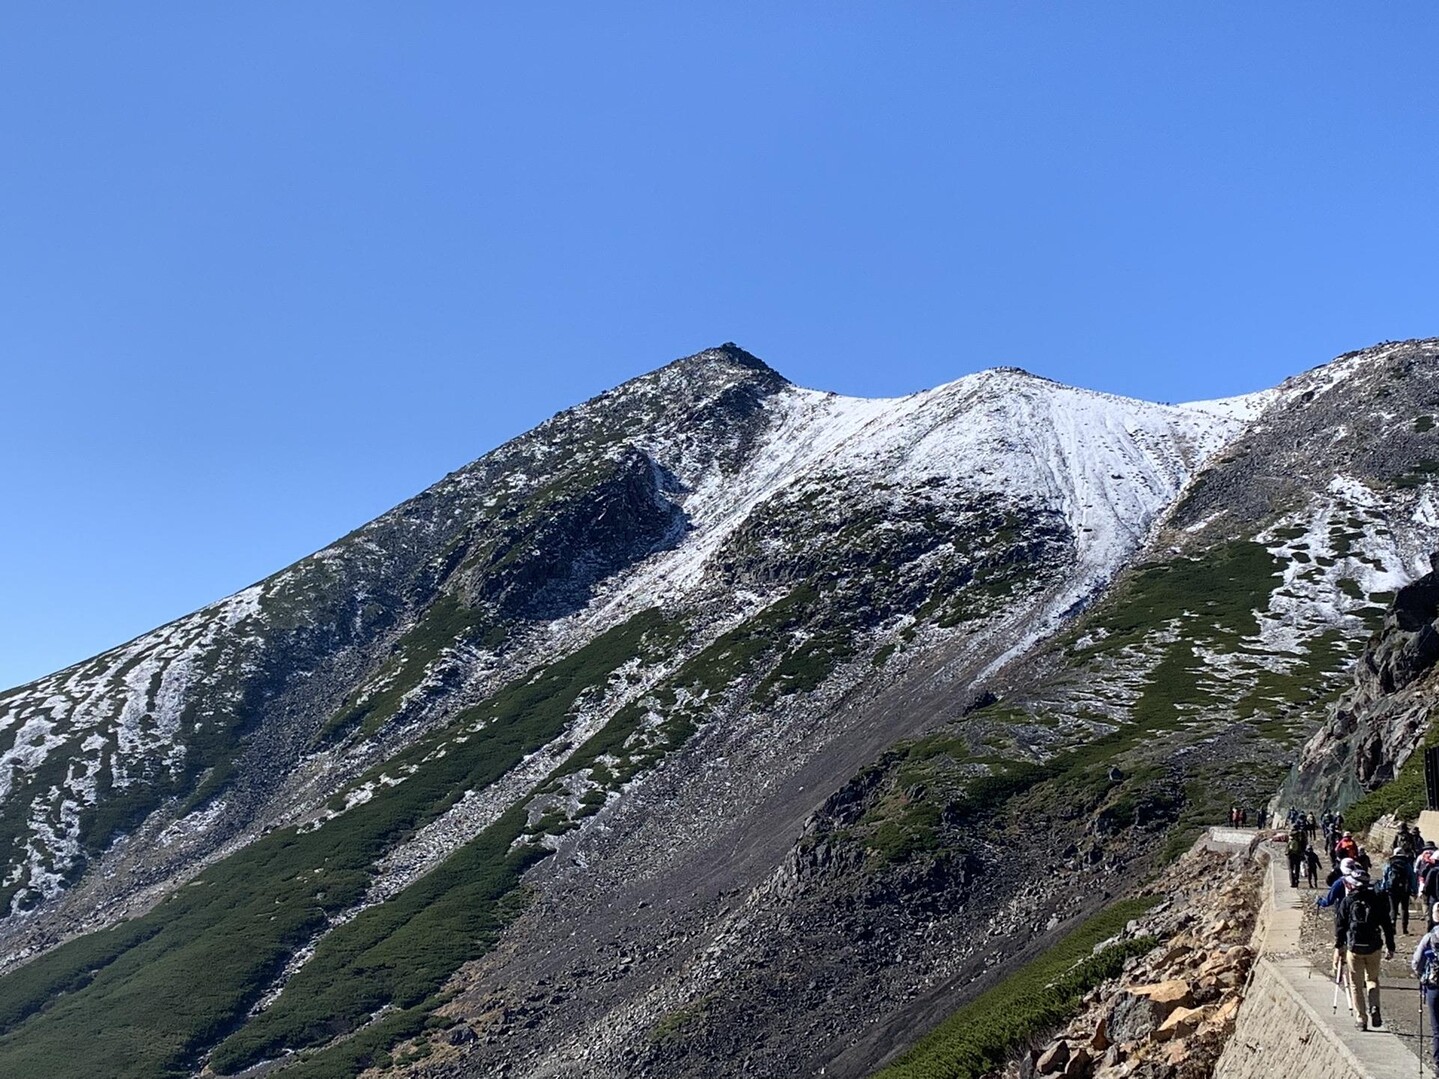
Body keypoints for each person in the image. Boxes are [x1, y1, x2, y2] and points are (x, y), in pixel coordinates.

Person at [1334, 866, 1395, 1030]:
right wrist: (1391, 946)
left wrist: (1339, 947)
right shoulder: (1376, 900)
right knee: (1372, 979)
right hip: (1374, 947)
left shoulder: (1348, 901)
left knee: (1356, 984)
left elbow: (1340, 927)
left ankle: (1361, 1019)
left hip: (1354, 948)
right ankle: (1374, 1006)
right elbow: (1387, 925)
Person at [1412, 903, 1439, 1072]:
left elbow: (1416, 962)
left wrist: (1421, 975)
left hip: (1434, 986)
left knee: (1437, 1027)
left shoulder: (1430, 937)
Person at [1385, 846, 1416, 934]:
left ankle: (1393, 926)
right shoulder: (1406, 863)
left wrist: (1384, 887)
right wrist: (1414, 889)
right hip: (1405, 890)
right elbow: (1412, 877)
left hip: (1392, 889)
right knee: (1404, 909)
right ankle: (1404, 928)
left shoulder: (1390, 863)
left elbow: (1385, 876)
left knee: (1393, 909)